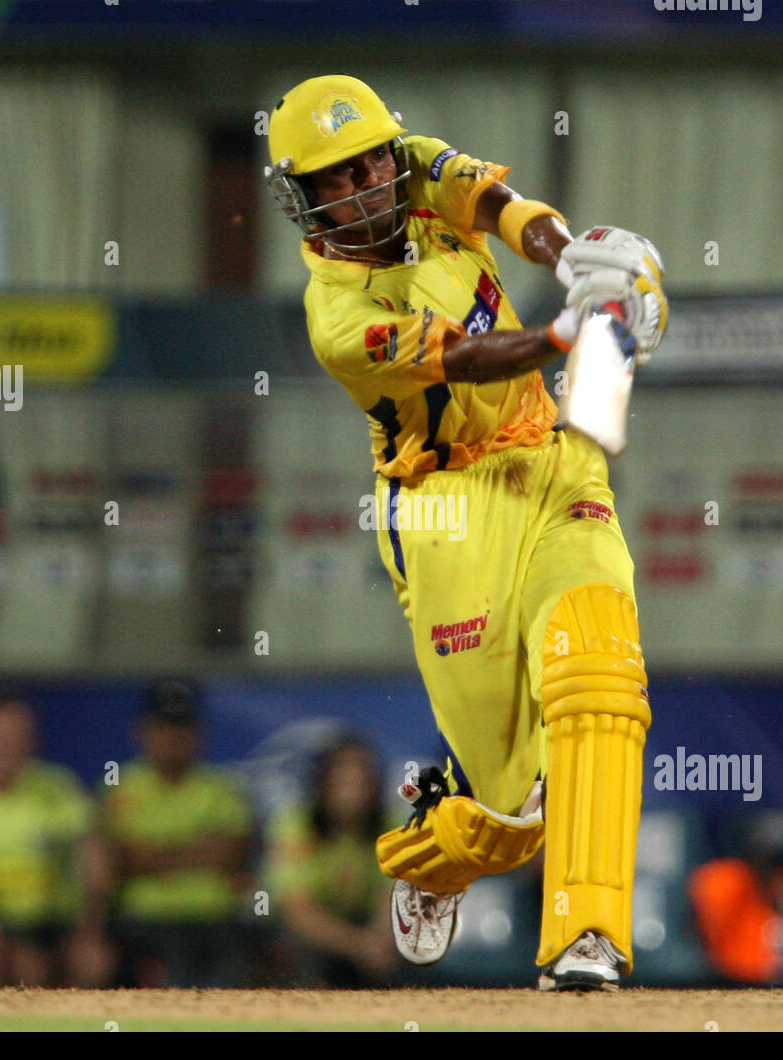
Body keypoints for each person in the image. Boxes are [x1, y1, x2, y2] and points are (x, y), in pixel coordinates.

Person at [265, 75, 668, 990]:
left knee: (599, 675)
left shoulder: (408, 166)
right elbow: (469, 352)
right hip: (445, 508)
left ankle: (587, 939)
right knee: (509, 806)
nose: (370, 180)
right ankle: (432, 854)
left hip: (552, 457)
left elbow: (508, 209)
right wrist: (575, 333)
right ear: (302, 194)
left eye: (373, 156)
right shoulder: (338, 320)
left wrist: (577, 262)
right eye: (340, 173)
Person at [0, 690, 112, 988]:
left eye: (17, 737)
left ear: (32, 742)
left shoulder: (58, 789)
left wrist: (90, 929)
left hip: (57, 924)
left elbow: (92, 858)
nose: (5, 746)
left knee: (94, 961)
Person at [102, 681, 255, 987]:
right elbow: (124, 859)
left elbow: (232, 852)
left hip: (214, 917)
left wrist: (155, 855)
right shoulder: (123, 787)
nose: (174, 736)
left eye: (182, 726)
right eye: (164, 726)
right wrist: (201, 850)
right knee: (170, 967)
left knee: (235, 971)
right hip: (145, 920)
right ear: (143, 731)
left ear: (199, 733)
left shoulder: (221, 788)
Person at [267, 732, 402, 987]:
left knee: (410, 945)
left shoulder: (392, 826)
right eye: (342, 782)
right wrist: (359, 946)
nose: (352, 793)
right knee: (300, 950)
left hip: (371, 928)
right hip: (317, 932)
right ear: (322, 784)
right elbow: (297, 910)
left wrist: (379, 941)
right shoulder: (295, 825)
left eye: (361, 782)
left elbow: (395, 896)